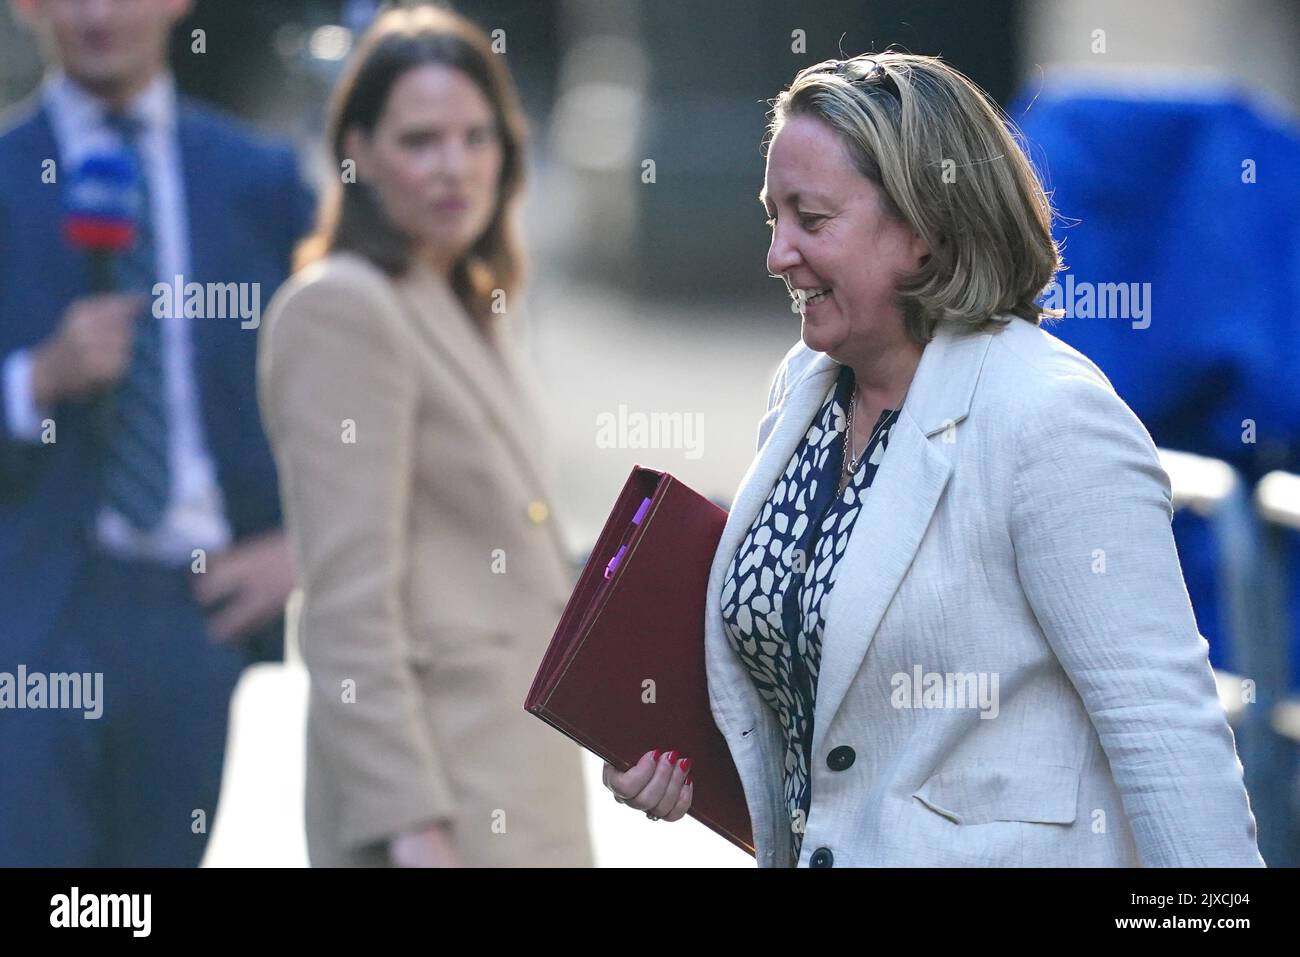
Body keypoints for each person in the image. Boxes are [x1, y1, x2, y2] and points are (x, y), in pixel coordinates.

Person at [603, 52, 1265, 868]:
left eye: (811, 220)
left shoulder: (1050, 414)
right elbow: (826, 700)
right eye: (772, 217)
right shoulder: (803, 387)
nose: (777, 254)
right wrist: (675, 755)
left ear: (925, 230)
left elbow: (1163, 726)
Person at [258, 5, 593, 868]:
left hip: (523, 778)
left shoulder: (466, 297)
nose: (455, 166)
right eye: (420, 140)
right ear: (358, 152)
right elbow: (344, 605)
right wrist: (408, 823)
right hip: (441, 802)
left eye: (477, 136)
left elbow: (506, 545)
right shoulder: (344, 305)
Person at [0, 0, 312, 865]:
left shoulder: (257, 179)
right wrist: (35, 378)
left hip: (197, 608)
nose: (99, 13)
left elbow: (352, 383)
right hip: (32, 609)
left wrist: (302, 542)